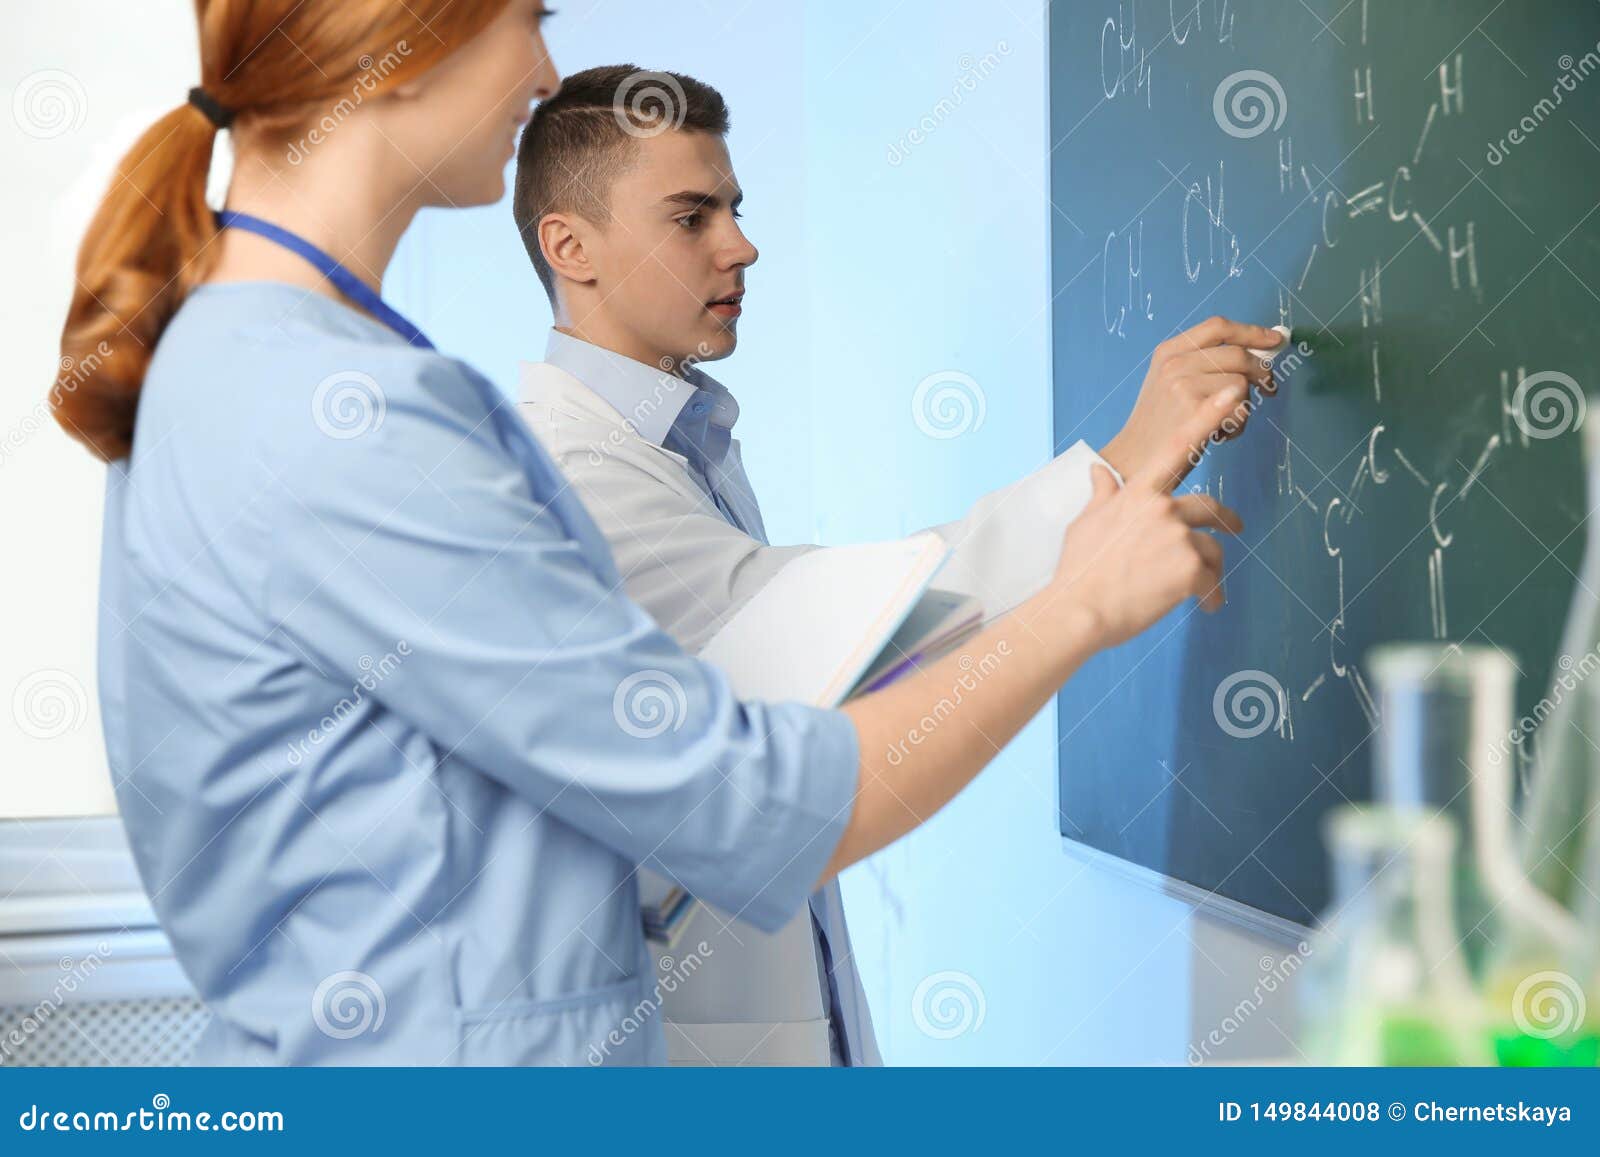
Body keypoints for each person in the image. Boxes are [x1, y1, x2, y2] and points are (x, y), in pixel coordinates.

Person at [52, 0, 1241, 1065]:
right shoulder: (344, 420)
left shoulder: (243, 362)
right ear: (404, 36)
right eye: (525, 13)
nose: (540, 63)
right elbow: (750, 802)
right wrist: (1079, 602)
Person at [511, 66, 1285, 1063]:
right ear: (570, 246)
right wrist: (1122, 462)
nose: (741, 246)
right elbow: (849, 635)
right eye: (690, 218)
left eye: (733, 209)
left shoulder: (672, 441)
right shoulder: (576, 477)